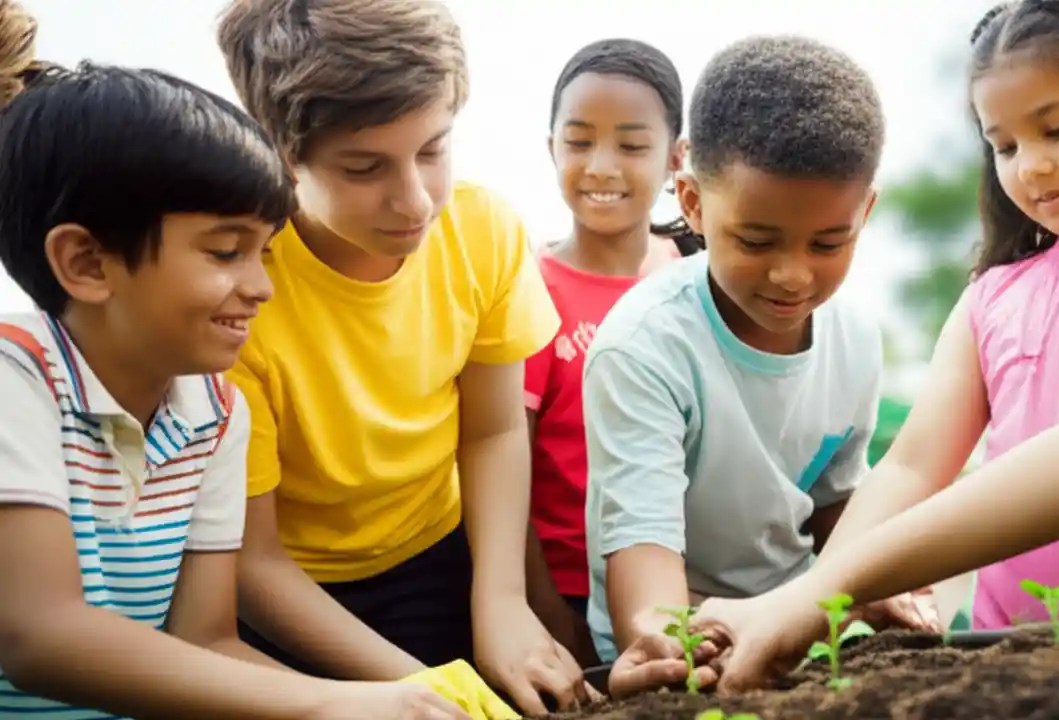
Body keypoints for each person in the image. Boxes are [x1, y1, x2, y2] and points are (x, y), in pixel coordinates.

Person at [692, 0, 1059, 689]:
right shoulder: (991, 298)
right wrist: (817, 597)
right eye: (1003, 146)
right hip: (1011, 654)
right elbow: (913, 465)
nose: (1030, 167)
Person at [0, 3, 468, 718]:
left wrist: (393, 700)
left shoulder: (215, 416)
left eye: (265, 251)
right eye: (226, 253)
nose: (261, 287)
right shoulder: (17, 380)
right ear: (87, 262)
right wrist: (327, 708)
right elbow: (39, 633)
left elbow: (210, 642)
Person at [216, 0, 590, 714]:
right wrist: (419, 688)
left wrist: (504, 604)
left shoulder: (481, 229)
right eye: (364, 168)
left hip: (439, 557)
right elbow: (251, 559)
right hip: (290, 596)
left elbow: (494, 429)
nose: (415, 200)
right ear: (281, 152)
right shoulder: (242, 295)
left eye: (432, 150)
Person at [584, 35, 938, 699]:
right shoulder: (643, 347)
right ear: (691, 202)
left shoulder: (854, 334)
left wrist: (874, 585)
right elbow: (643, 552)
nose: (793, 275)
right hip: (681, 640)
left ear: (865, 212)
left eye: (829, 242)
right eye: (756, 240)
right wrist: (668, 637)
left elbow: (835, 502)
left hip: (795, 625)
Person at [525, 37, 699, 667]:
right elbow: (504, 474)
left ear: (677, 158)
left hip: (679, 583)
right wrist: (548, 620)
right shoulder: (526, 291)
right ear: (551, 149)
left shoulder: (695, 278)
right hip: (564, 594)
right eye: (578, 141)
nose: (601, 165)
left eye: (631, 145)